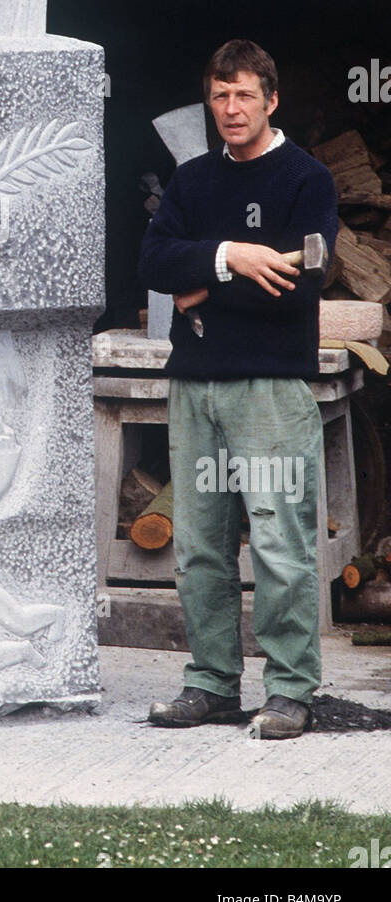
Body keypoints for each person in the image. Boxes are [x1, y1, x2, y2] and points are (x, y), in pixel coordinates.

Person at [137, 40, 338, 739]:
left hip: (270, 389)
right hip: (196, 388)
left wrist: (202, 291)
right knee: (199, 546)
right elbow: (155, 263)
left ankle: (289, 690)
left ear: (271, 99)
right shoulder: (193, 182)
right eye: (220, 95)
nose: (231, 108)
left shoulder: (307, 181)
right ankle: (213, 684)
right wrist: (232, 259)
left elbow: (296, 288)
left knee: (281, 543)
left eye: (244, 94)